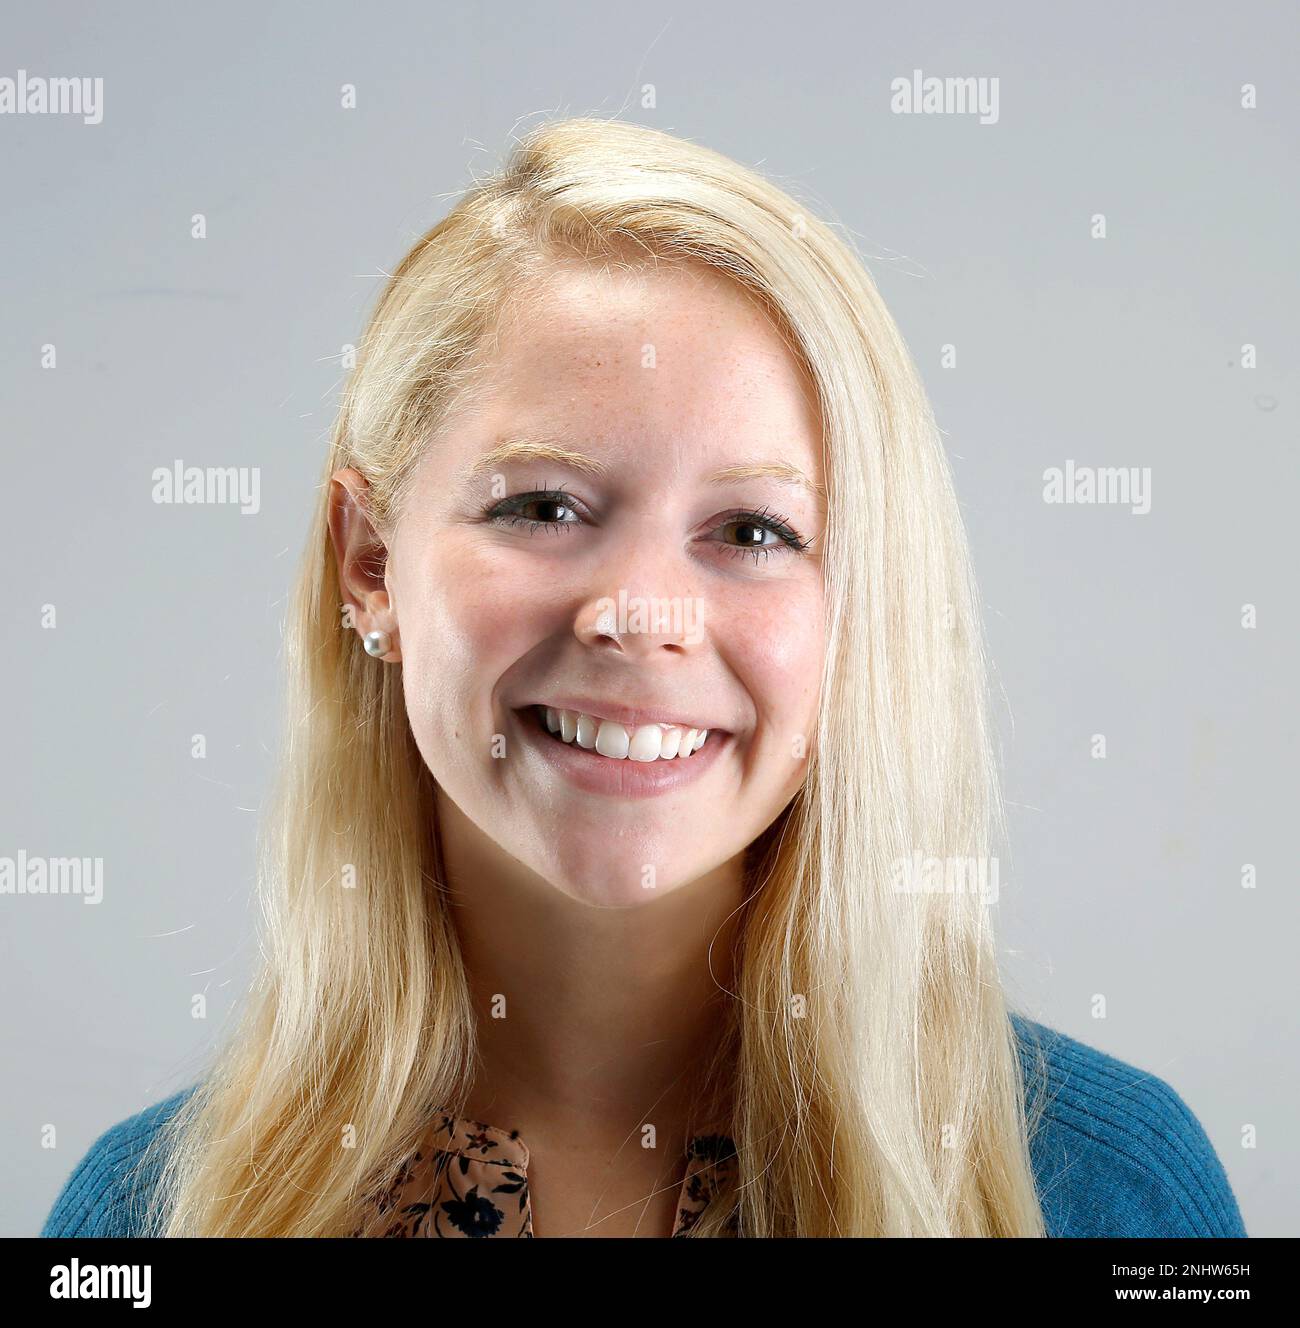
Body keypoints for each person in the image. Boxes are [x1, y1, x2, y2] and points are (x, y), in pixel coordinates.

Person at [41, 117, 1245, 1238]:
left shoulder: (1103, 1191)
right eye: (543, 504)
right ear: (369, 564)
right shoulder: (148, 1217)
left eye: (755, 531)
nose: (641, 614)